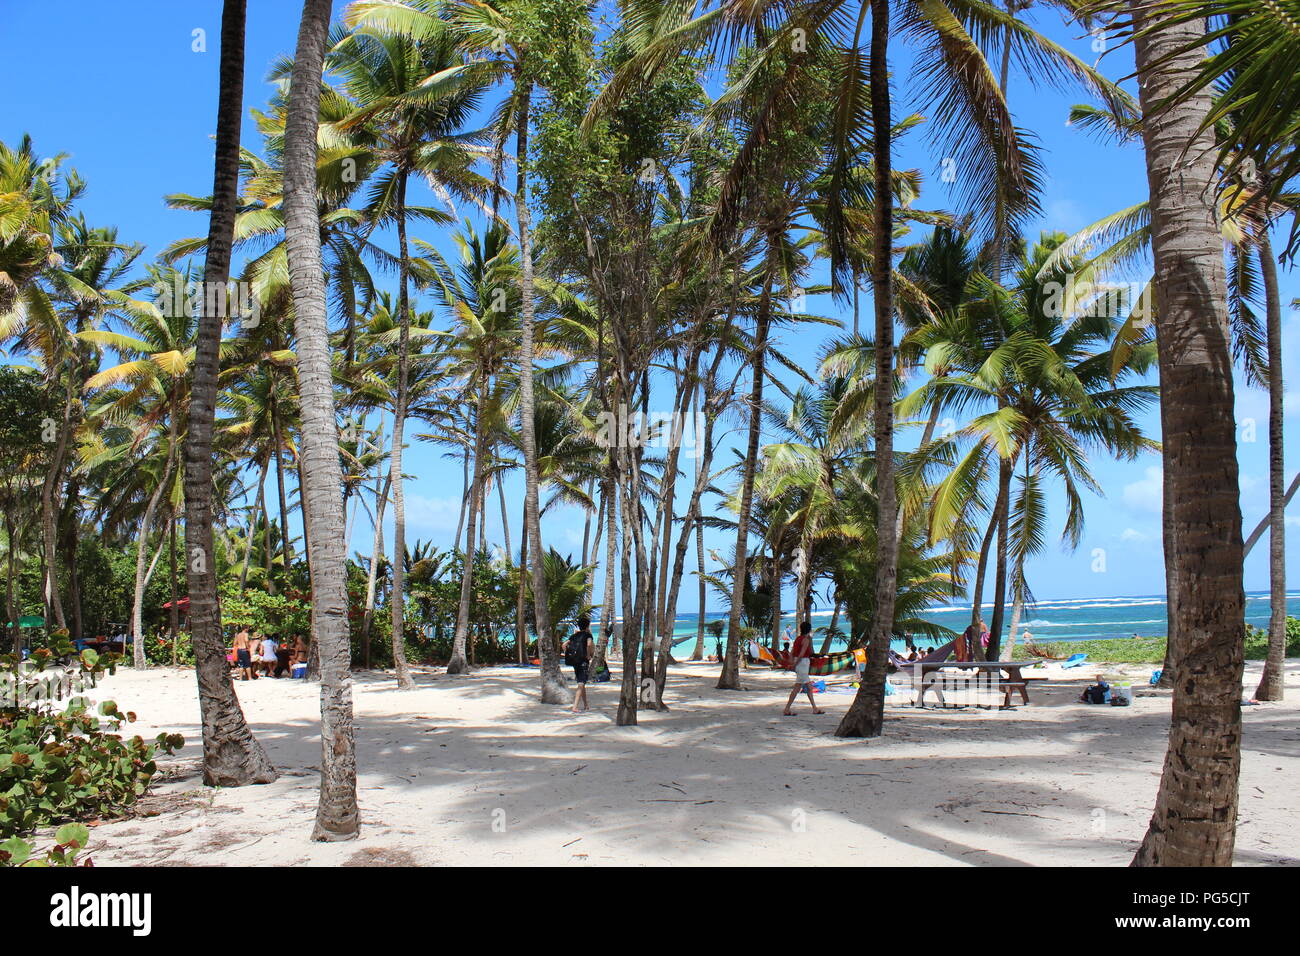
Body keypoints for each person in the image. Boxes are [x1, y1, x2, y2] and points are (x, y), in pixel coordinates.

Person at [782, 620, 825, 716]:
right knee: (800, 687)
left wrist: (791, 662)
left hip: (800, 663)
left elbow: (793, 652)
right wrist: (794, 664)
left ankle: (814, 708)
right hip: (803, 663)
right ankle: (787, 709)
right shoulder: (806, 640)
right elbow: (802, 654)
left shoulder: (798, 639)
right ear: (809, 630)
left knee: (806, 687)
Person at [565, 615, 594, 713]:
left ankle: (586, 705)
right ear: (587, 626)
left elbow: (564, 645)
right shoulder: (588, 635)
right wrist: (588, 655)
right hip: (583, 661)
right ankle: (575, 706)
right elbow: (589, 644)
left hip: (575, 661)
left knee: (581, 682)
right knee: (581, 683)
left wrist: (569, 654)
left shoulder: (574, 636)